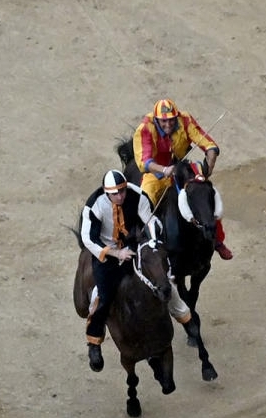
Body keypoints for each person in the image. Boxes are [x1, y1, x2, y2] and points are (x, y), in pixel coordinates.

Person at [78, 171, 156, 374]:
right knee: (103, 297)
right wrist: (116, 253)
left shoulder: (136, 194)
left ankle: (182, 316)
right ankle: (94, 341)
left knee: (157, 281)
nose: (121, 196)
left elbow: (151, 220)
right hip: (106, 254)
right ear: (107, 193)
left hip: (131, 246)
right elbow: (89, 240)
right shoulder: (94, 205)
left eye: (122, 191)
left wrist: (153, 242)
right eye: (115, 193)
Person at [131, 99, 229, 256]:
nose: (168, 124)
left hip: (182, 169)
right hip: (156, 173)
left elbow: (207, 143)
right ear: (157, 120)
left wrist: (210, 163)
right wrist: (164, 169)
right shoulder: (145, 129)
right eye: (164, 121)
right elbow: (144, 162)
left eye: (171, 120)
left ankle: (217, 239)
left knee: (205, 194)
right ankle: (139, 241)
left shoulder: (185, 119)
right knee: (144, 202)